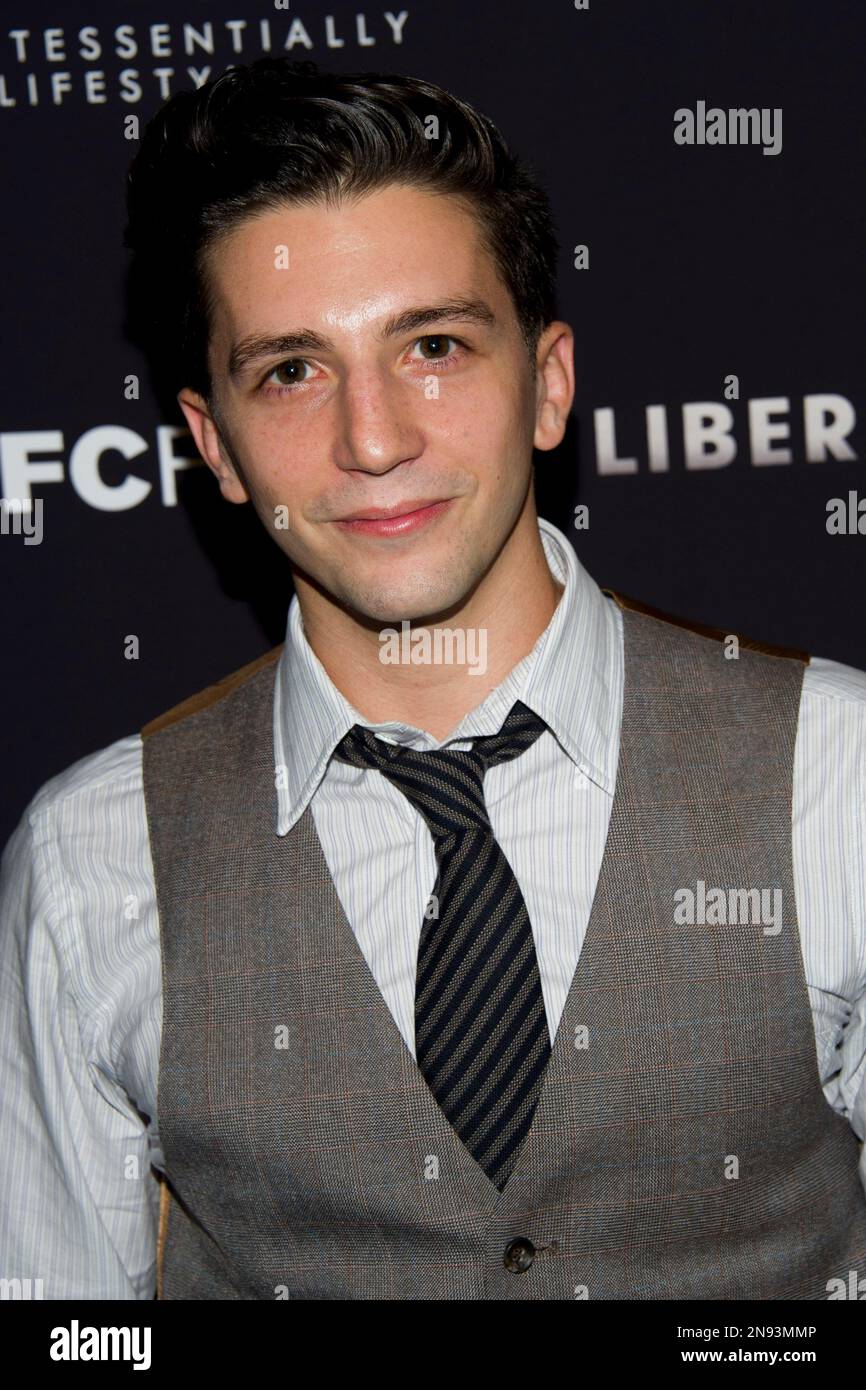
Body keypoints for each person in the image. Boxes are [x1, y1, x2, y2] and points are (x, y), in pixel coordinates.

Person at [1, 58, 864, 1302]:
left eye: (435, 346)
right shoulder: (92, 864)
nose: (372, 439)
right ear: (215, 448)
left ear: (549, 381)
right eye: (291, 370)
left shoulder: (830, 775)